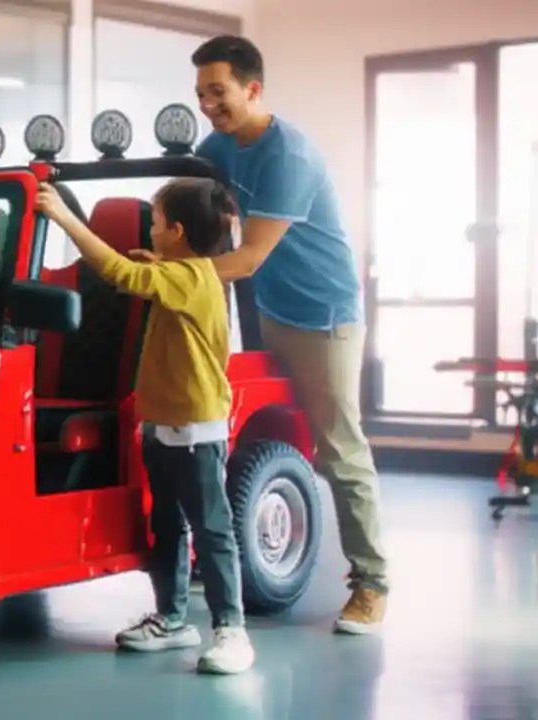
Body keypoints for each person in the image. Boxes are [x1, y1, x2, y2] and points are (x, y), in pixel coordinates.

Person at [187, 35, 388, 635]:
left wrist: (164, 275)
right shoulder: (214, 147)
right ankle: (228, 553)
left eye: (218, 92)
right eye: (200, 94)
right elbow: (192, 214)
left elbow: (246, 256)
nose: (208, 106)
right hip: (268, 309)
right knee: (244, 432)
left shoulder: (288, 156)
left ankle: (372, 582)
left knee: (337, 447)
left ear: (253, 89)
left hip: (323, 315)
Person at [36, 177, 254, 675]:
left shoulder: (195, 277)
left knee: (211, 530)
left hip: (196, 433)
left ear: (176, 231)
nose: (150, 232)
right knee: (167, 527)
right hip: (161, 427)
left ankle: (231, 629)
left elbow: (117, 272)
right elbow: (155, 274)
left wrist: (66, 220)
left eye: (155, 223)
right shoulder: (183, 272)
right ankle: (173, 618)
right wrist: (156, 264)